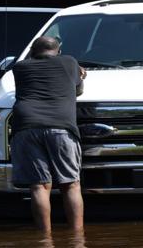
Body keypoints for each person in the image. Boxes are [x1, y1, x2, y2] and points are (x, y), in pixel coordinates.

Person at [8, 35, 87, 232]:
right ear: (58, 51)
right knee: (71, 185)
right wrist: (81, 76)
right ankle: (77, 238)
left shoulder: (20, 68)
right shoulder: (69, 62)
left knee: (39, 186)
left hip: (26, 126)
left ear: (33, 52)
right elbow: (77, 91)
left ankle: (44, 239)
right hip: (61, 126)